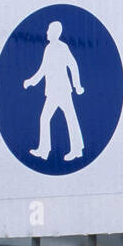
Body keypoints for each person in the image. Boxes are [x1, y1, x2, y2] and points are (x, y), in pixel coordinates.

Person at [23, 20, 85, 161]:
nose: (47, 33)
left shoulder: (63, 47)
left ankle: (75, 150)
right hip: (52, 91)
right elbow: (43, 69)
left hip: (62, 90)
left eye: (49, 30)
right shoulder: (49, 48)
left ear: (55, 32)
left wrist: (77, 85)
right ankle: (44, 150)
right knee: (45, 118)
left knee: (69, 118)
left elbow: (73, 65)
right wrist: (31, 81)